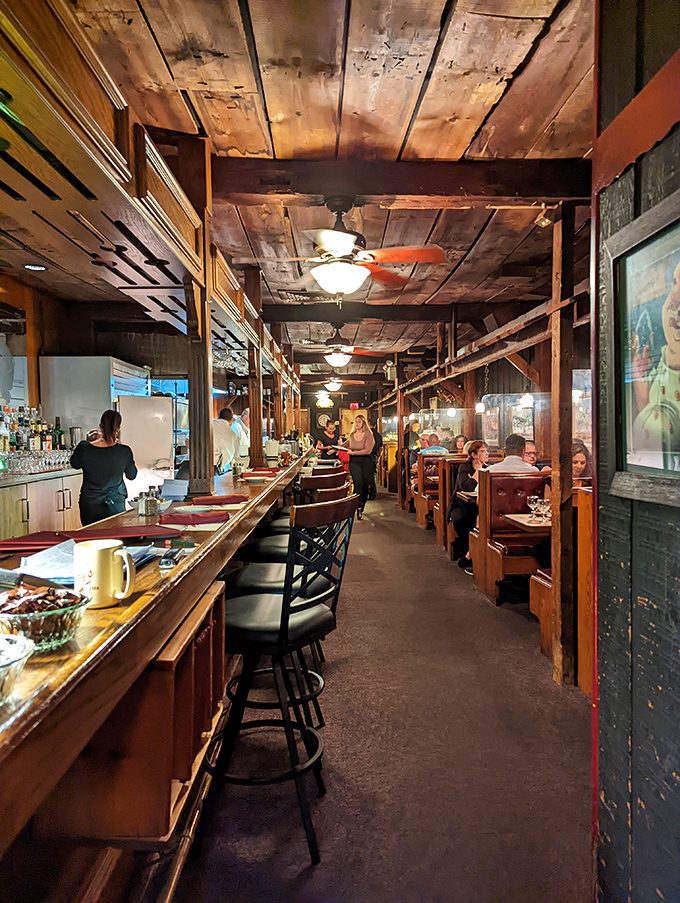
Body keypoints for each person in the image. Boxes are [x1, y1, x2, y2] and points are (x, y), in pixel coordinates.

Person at [70, 409, 137, 526]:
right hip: (114, 504)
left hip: (89, 506)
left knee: (92, 538)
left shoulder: (84, 447)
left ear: (100, 426)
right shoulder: (124, 451)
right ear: (118, 429)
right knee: (115, 538)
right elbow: (132, 475)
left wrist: (88, 441)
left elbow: (74, 464)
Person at [446, 440, 489, 574]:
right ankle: (469, 549)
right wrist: (477, 473)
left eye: (487, 451)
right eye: (483, 451)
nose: (487, 454)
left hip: (481, 504)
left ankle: (474, 554)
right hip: (461, 504)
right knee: (460, 518)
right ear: (474, 455)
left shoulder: (491, 467)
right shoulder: (464, 468)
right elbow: (467, 487)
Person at [342, 413, 374, 519]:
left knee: (365, 484)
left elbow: (368, 450)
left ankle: (362, 505)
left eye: (359, 421)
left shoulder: (368, 435)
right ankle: (357, 506)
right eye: (355, 421)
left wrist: (354, 453)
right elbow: (346, 445)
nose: (356, 423)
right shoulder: (352, 435)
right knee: (358, 483)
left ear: (363, 423)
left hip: (365, 461)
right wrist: (334, 448)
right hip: (354, 461)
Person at [212, 407, 239, 474]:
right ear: (231, 419)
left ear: (219, 416)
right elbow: (237, 456)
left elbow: (187, 440)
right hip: (215, 469)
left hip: (189, 466)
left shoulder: (208, 423)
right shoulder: (234, 435)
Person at [367, 415, 383, 500]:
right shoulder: (378, 435)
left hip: (366, 456)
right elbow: (380, 448)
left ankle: (367, 492)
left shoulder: (366, 434)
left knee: (366, 475)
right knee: (373, 475)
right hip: (374, 456)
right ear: (375, 425)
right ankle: (373, 493)